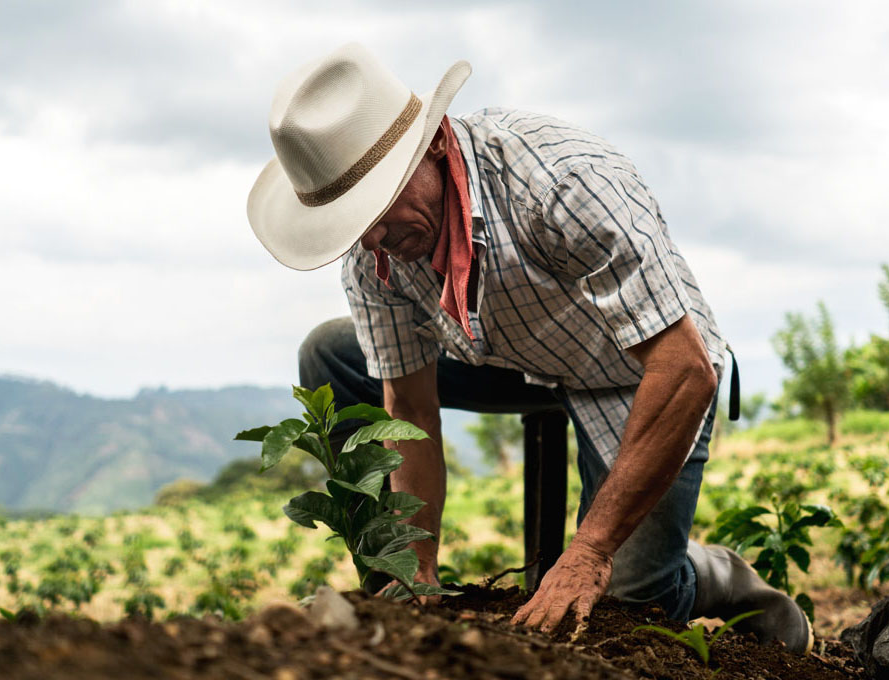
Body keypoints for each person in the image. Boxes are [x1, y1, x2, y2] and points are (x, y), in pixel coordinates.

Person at [246, 42, 812, 653]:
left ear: (434, 144)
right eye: (355, 223)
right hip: (510, 356)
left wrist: (590, 551)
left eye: (380, 207)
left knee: (629, 601)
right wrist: (416, 569)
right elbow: (407, 408)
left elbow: (684, 367)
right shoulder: (376, 252)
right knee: (329, 355)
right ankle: (394, 586)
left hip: (637, 368)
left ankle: (713, 574)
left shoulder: (561, 183)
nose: (374, 238)